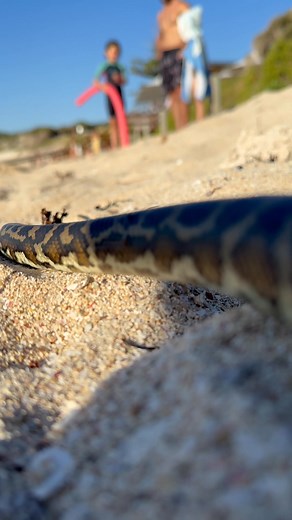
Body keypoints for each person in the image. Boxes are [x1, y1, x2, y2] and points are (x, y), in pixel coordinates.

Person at [156, 0, 190, 130]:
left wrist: (186, 47)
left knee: (180, 89)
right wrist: (158, 51)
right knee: (171, 92)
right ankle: (178, 127)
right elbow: (160, 34)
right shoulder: (161, 14)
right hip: (165, 54)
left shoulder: (181, 6)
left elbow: (192, 24)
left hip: (178, 50)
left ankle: (185, 125)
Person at [94, 40, 126, 149]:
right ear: (106, 53)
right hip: (110, 94)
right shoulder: (104, 66)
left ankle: (124, 143)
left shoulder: (120, 67)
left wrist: (120, 79)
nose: (114, 54)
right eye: (112, 52)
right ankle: (114, 144)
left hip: (119, 93)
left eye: (116, 52)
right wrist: (103, 87)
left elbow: (125, 81)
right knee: (112, 120)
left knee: (121, 117)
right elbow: (95, 82)